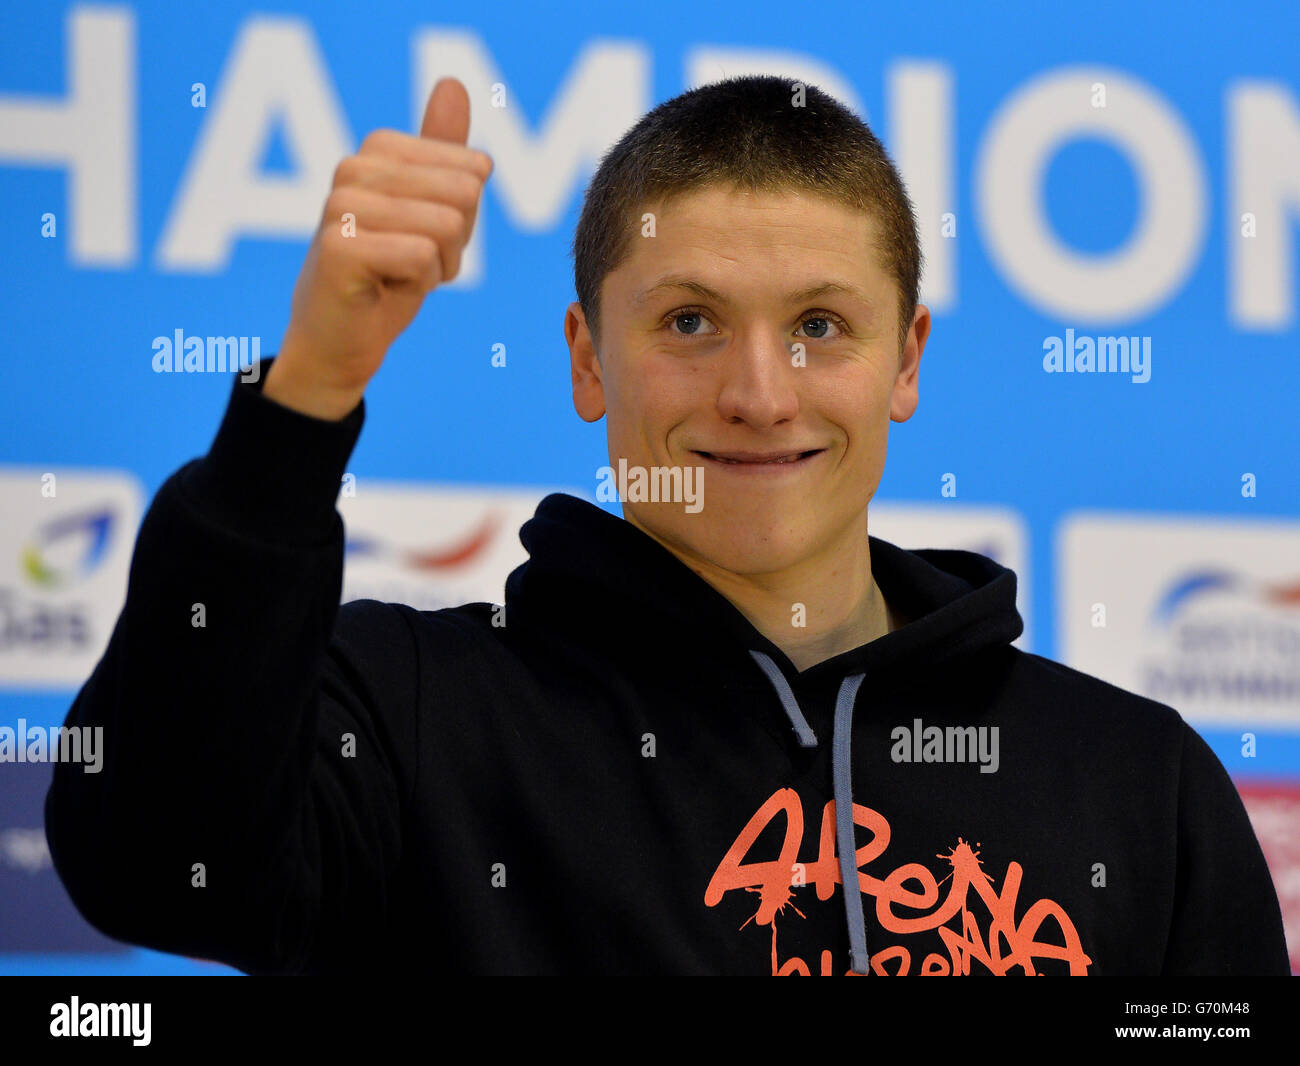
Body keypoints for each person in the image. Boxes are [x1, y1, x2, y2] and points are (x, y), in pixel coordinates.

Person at [45, 75, 1288, 976]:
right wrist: (308, 389)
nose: (758, 393)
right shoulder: (414, 714)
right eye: (689, 321)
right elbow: (148, 861)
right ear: (588, 361)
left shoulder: (1137, 779)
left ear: (905, 361)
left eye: (819, 324)